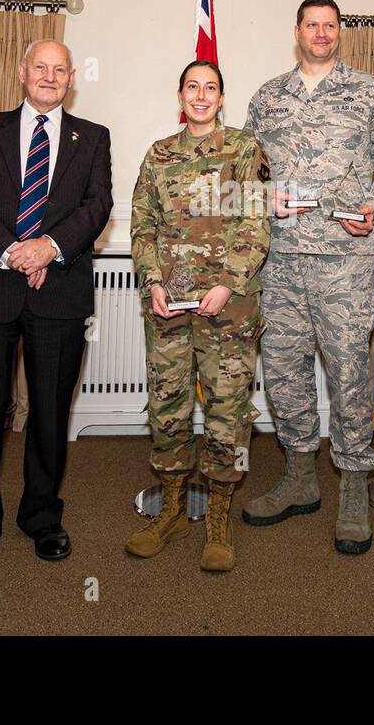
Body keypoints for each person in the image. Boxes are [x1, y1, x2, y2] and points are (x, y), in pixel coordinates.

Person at [242, 0, 374, 555]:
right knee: (284, 370)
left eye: (330, 26)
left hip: (345, 258)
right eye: (312, 25)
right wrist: (267, 199)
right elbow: (245, 171)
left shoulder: (369, 93)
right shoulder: (269, 96)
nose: (321, 33)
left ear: (339, 33)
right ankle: (298, 475)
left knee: (348, 373)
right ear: (297, 31)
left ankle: (354, 485)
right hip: (282, 260)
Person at [0, 40, 113, 573]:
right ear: (21, 72)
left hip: (58, 291)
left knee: (50, 411)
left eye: (60, 70)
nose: (50, 76)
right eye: (41, 67)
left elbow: (96, 205)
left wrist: (48, 249)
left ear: (72, 78)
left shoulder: (93, 138)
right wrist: (15, 252)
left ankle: (41, 516)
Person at [124, 61, 270, 572]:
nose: (201, 95)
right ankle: (168, 509)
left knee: (227, 414)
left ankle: (219, 516)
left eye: (210, 88)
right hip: (168, 306)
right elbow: (141, 224)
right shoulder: (159, 154)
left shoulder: (245, 149)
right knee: (168, 407)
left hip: (228, 307)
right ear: (180, 94)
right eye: (193, 87)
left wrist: (227, 282)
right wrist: (152, 279)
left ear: (222, 97)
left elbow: (256, 221)